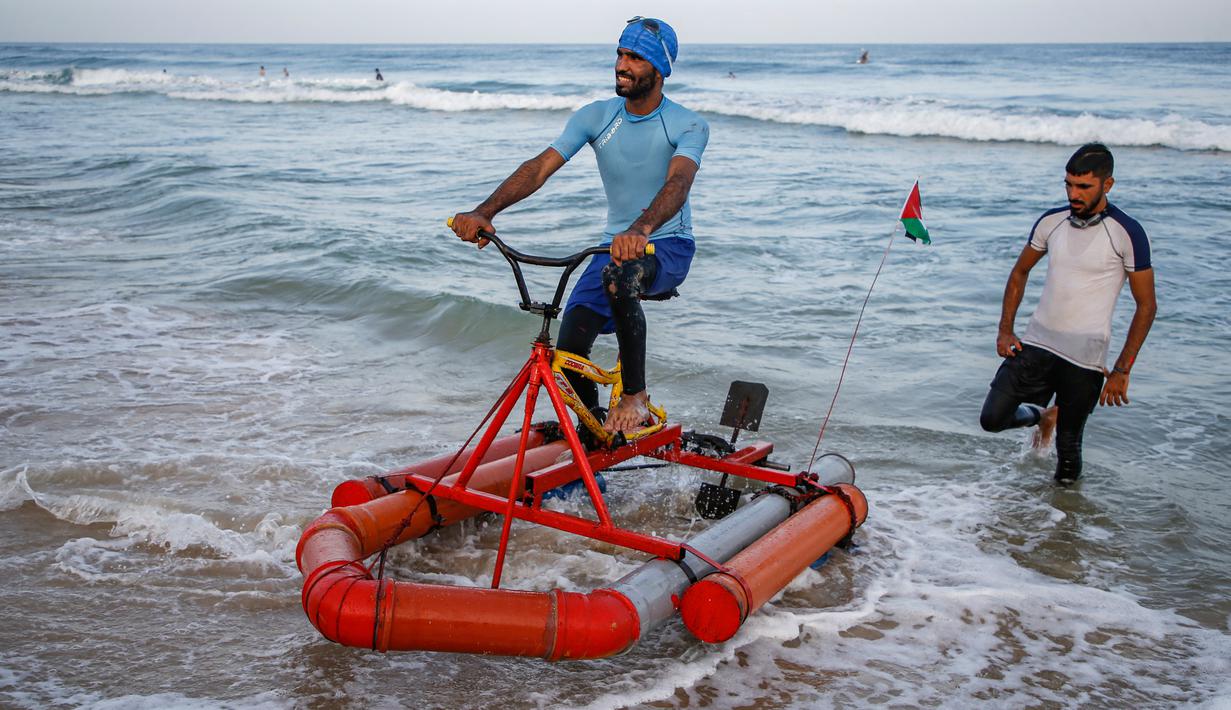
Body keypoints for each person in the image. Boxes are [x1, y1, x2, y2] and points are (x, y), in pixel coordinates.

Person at [450, 16, 708, 435]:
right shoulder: (597, 116)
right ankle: (594, 431)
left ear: (659, 69)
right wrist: (485, 212)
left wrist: (641, 229)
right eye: (620, 54)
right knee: (568, 353)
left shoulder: (688, 124)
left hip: (666, 244)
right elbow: (539, 168)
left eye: (635, 58)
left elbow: (678, 183)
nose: (621, 65)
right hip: (612, 248)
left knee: (621, 277)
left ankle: (635, 397)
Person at [979, 143, 1157, 484]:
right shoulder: (1052, 221)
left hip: (1084, 360)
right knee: (992, 419)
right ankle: (1042, 416)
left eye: (1084, 186)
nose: (1074, 194)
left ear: (1107, 184)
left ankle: (1060, 518)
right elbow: (1019, 272)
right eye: (1069, 185)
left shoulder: (1127, 233)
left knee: (1069, 456)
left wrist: (1121, 370)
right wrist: (1005, 329)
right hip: (1036, 344)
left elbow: (1147, 306)